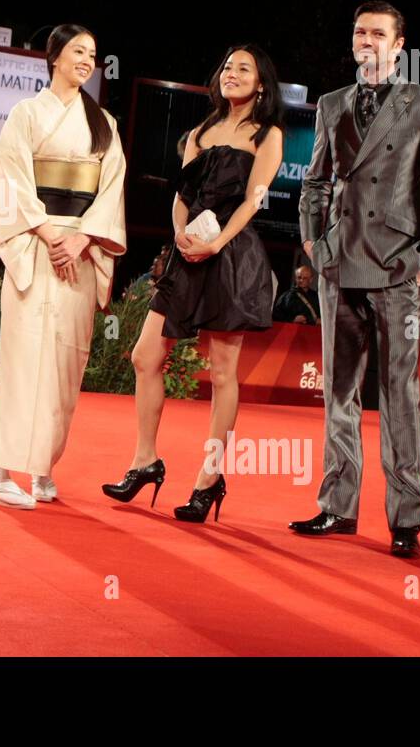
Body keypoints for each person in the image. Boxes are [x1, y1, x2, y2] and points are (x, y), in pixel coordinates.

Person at [291, 0, 420, 559]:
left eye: (378, 33)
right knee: (338, 395)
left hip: (397, 269)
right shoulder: (331, 104)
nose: (366, 40)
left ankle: (407, 518)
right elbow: (315, 183)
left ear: (399, 45)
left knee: (400, 398)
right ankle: (337, 508)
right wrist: (313, 244)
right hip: (339, 265)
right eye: (359, 31)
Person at [103, 44, 283, 522]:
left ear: (261, 82)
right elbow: (182, 194)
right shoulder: (201, 131)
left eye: (244, 68)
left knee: (223, 372)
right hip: (189, 253)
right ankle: (145, 460)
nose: (232, 73)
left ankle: (210, 476)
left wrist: (216, 242)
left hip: (231, 255)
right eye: (227, 66)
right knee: (145, 355)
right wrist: (181, 233)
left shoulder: (268, 135)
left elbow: (253, 201)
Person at [0, 23, 127, 509]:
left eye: (93, 52)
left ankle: (42, 467)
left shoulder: (102, 122)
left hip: (80, 251)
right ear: (55, 57)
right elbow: (12, 178)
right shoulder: (25, 114)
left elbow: (111, 190)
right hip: (37, 246)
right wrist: (48, 232)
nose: (88, 59)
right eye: (78, 51)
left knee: (67, 360)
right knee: (22, 358)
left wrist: (83, 237)